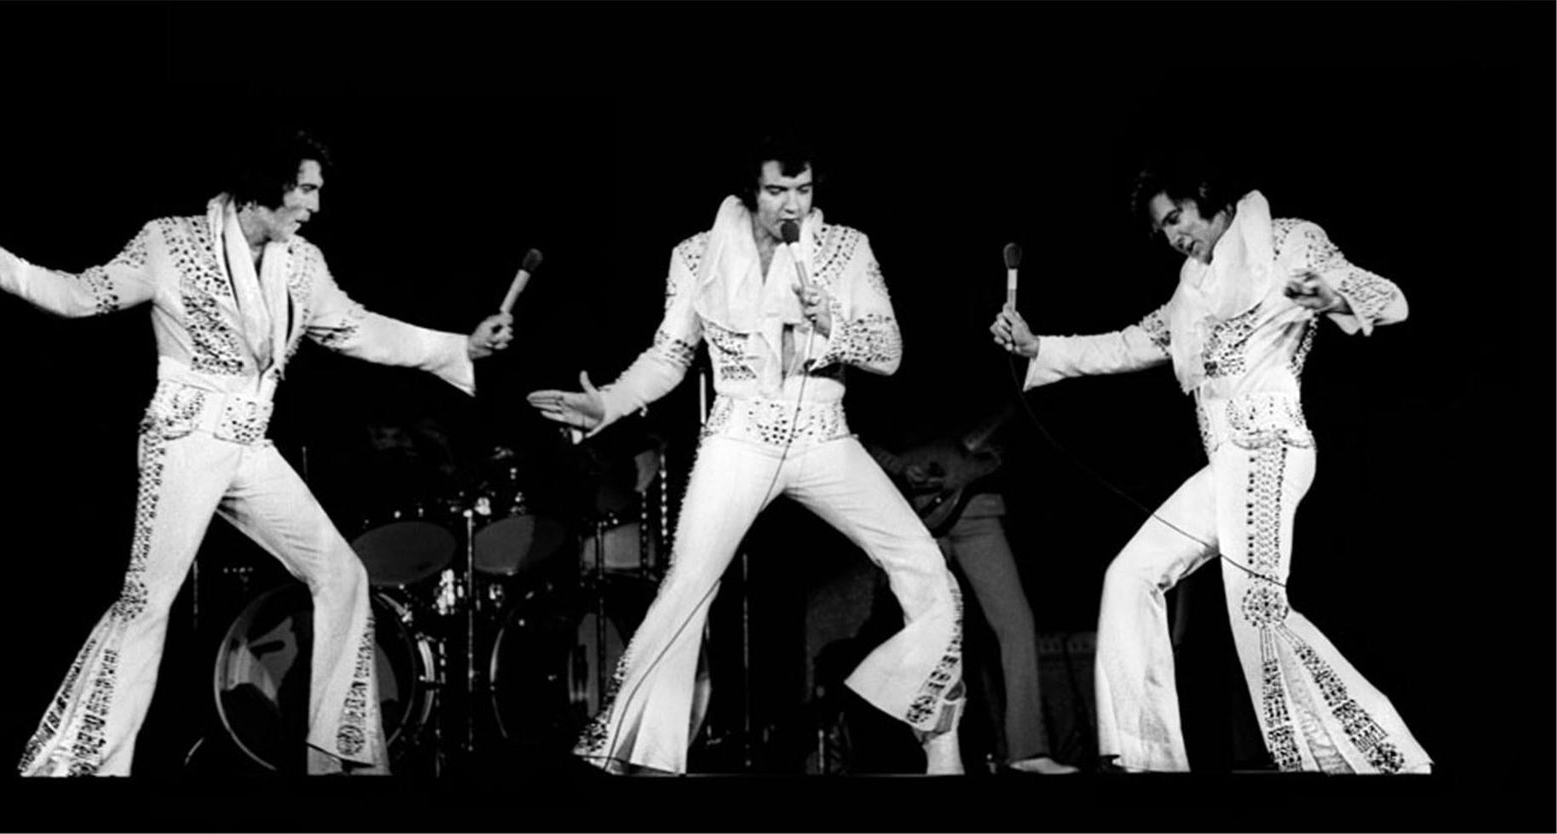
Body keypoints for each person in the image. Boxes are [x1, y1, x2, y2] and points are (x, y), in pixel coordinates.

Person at [0, 129, 515, 776]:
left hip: (247, 441)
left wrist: (459, 346)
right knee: (148, 599)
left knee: (342, 575)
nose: (315, 206)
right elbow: (80, 296)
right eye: (305, 189)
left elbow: (358, 329)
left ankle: (340, 760)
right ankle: (79, 766)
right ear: (267, 186)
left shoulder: (301, 262)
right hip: (185, 436)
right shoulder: (171, 243)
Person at [527, 135, 966, 775]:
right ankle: (627, 753)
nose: (791, 204)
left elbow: (890, 352)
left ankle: (942, 747)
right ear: (749, 191)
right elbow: (671, 355)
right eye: (776, 191)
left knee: (924, 565)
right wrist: (608, 406)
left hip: (823, 432)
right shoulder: (696, 255)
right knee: (686, 587)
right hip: (739, 432)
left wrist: (833, 325)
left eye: (803, 190)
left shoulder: (846, 248)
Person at [991, 159, 1432, 774]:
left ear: (1206, 199)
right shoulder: (1191, 286)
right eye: (1162, 229)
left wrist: (1333, 296)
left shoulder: (1287, 240)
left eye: (1175, 218)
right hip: (1225, 466)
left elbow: (1391, 300)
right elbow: (1134, 342)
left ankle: (1378, 761)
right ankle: (1148, 761)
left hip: (1272, 446)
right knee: (1129, 577)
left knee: (1256, 610)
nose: (1172, 236)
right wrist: (1042, 348)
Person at [867, 402, 1079, 774]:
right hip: (910, 515)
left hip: (975, 509)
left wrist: (959, 469)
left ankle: (1028, 752)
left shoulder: (980, 376)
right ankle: (909, 754)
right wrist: (902, 469)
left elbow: (999, 448)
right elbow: (858, 438)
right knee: (908, 632)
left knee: (1016, 624)